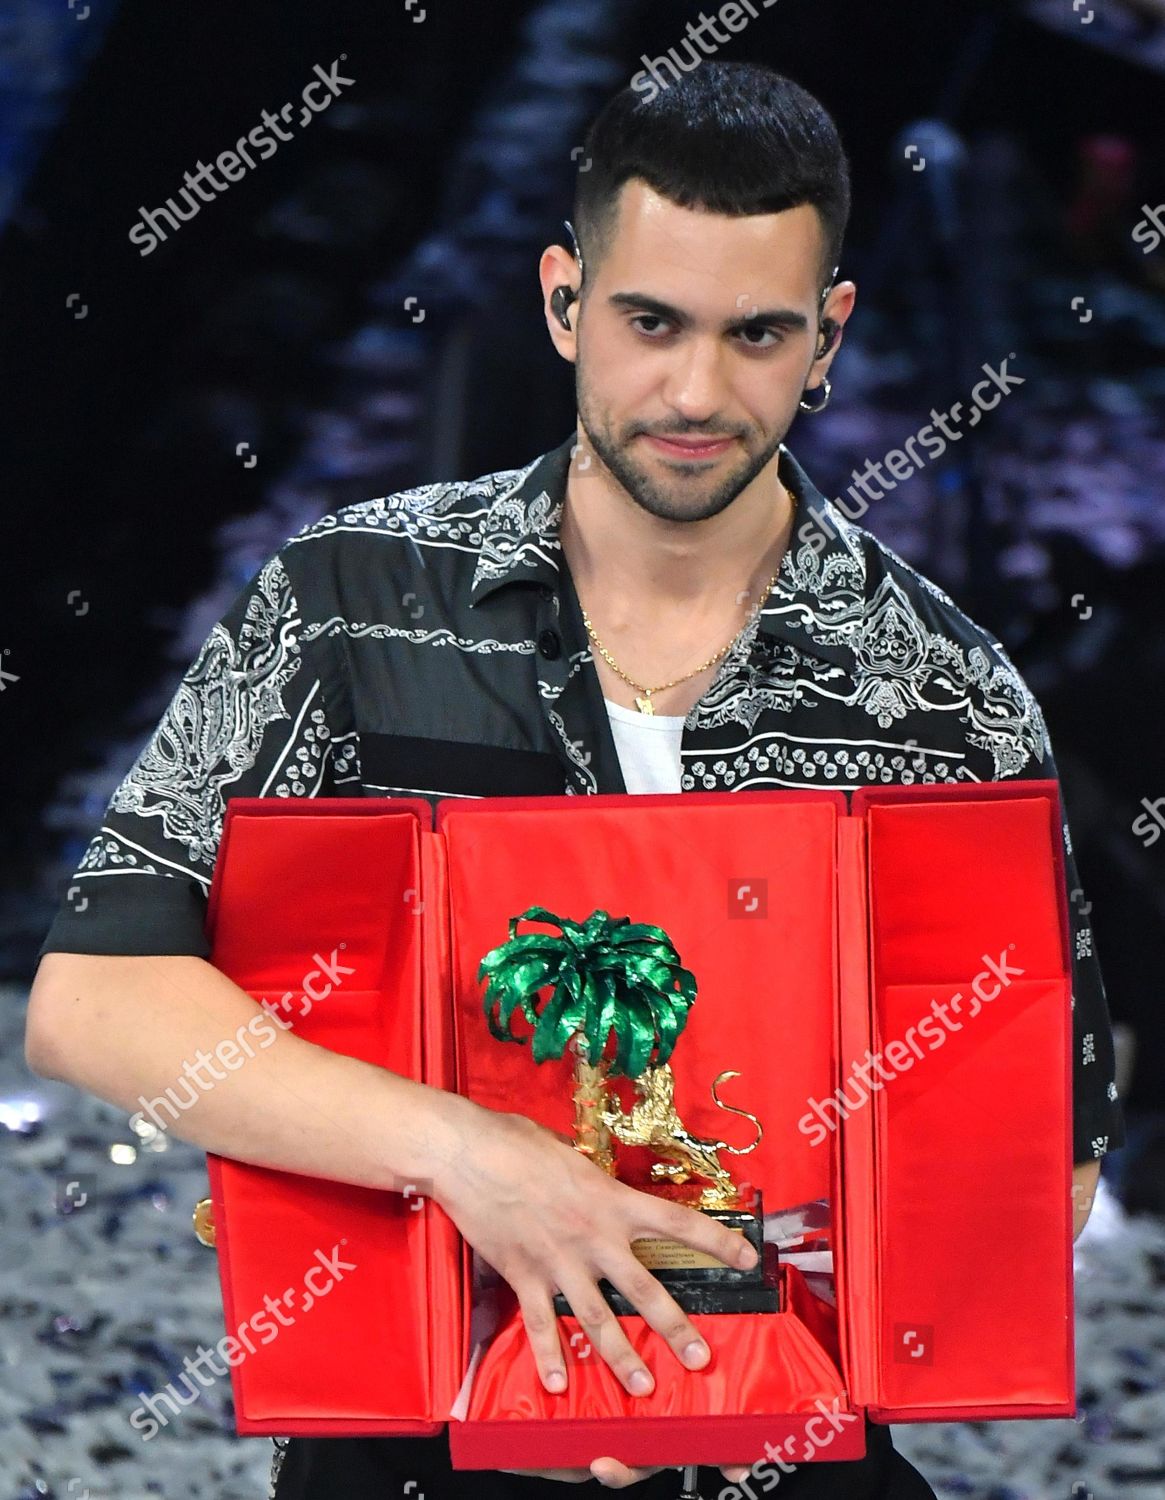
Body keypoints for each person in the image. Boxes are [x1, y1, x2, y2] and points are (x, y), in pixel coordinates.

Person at [25, 61, 1124, 1500]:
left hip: (785, 1449)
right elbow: (96, 994)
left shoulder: (940, 691)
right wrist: (467, 1158)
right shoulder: (352, 600)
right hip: (408, 1432)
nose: (694, 390)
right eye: (648, 322)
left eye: (757, 336)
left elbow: (1046, 1150)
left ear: (827, 339)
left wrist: (698, 1374)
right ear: (561, 301)